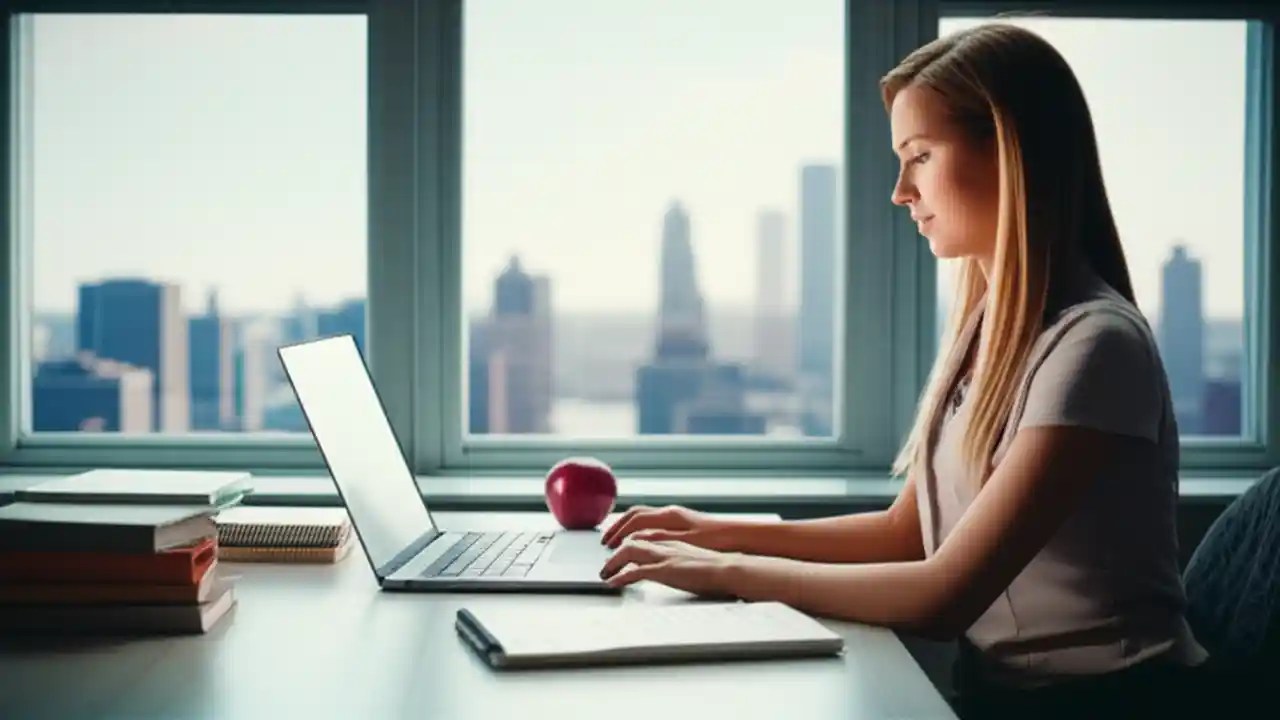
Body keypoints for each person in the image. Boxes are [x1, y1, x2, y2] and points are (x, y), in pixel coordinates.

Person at [598, 23, 1210, 719]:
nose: (899, 191)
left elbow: (943, 596)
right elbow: (909, 533)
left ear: (1010, 153)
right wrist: (711, 529)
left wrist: (729, 574)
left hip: (1114, 705)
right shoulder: (988, 330)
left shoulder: (1096, 346)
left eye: (919, 156)